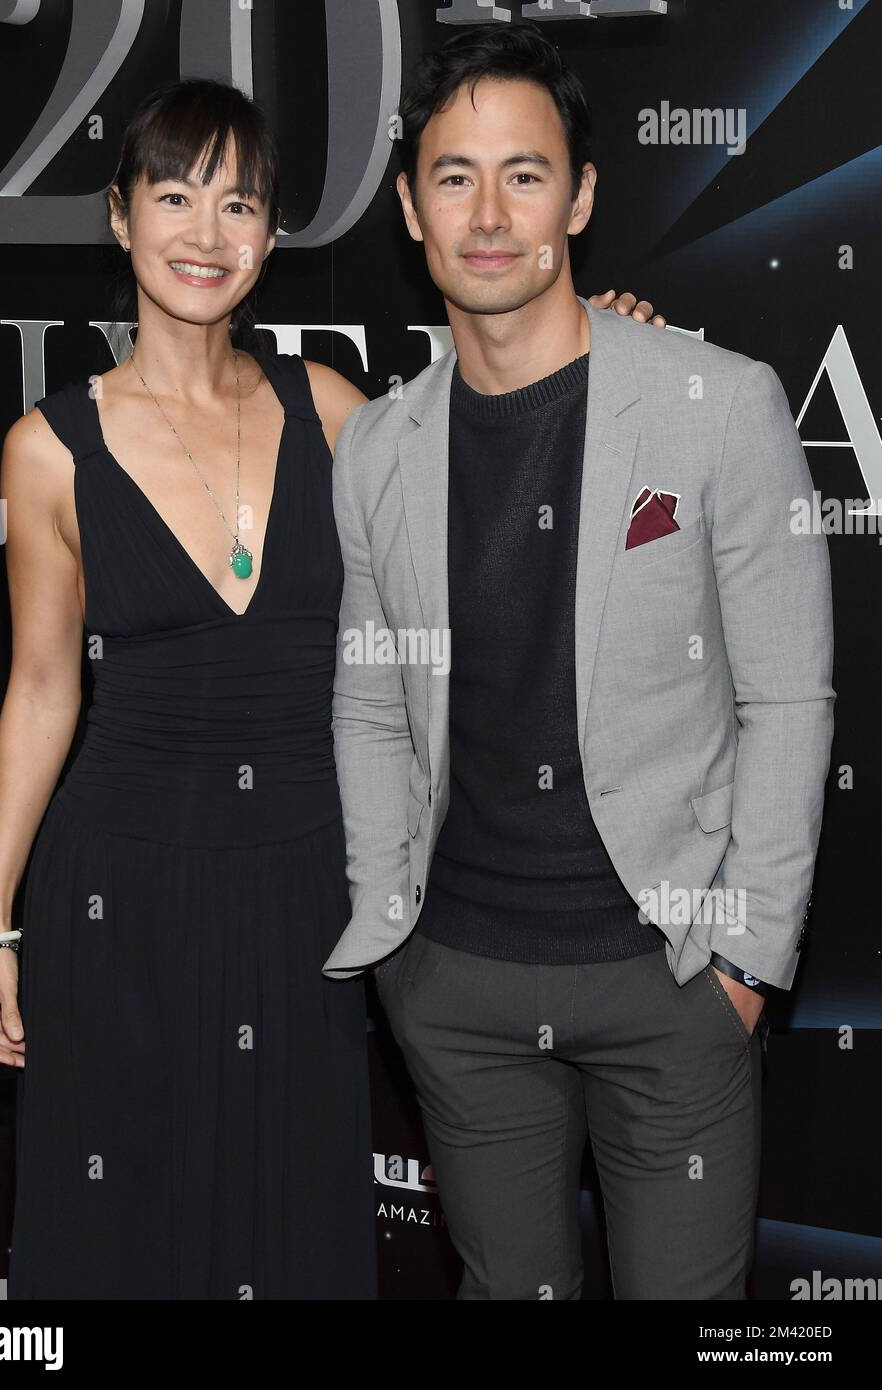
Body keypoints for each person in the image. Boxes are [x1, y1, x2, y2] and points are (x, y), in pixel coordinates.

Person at [0, 74, 657, 1299]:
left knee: (290, 1218)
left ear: (271, 237)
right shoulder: (45, 449)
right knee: (119, 1226)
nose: (205, 233)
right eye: (173, 196)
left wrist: (589, 350)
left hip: (304, 894)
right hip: (120, 887)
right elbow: (37, 690)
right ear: (120, 218)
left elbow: (486, 489)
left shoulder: (329, 410)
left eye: (240, 205)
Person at [324, 22, 834, 1300]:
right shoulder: (379, 451)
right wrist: (395, 943)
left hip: (672, 983)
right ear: (408, 207)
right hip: (458, 988)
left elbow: (787, 697)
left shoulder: (723, 404)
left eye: (525, 173)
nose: (489, 214)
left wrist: (744, 965)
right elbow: (374, 701)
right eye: (454, 176)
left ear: (583, 194)